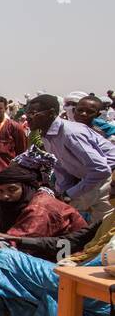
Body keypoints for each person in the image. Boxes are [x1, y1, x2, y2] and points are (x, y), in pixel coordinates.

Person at [27, 93, 115, 225]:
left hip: (107, 177)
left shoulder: (70, 133)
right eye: (28, 113)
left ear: (51, 113)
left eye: (33, 113)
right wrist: (62, 193)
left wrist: (70, 193)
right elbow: (61, 167)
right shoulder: (46, 135)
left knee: (102, 227)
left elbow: (101, 169)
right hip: (93, 177)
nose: (28, 118)